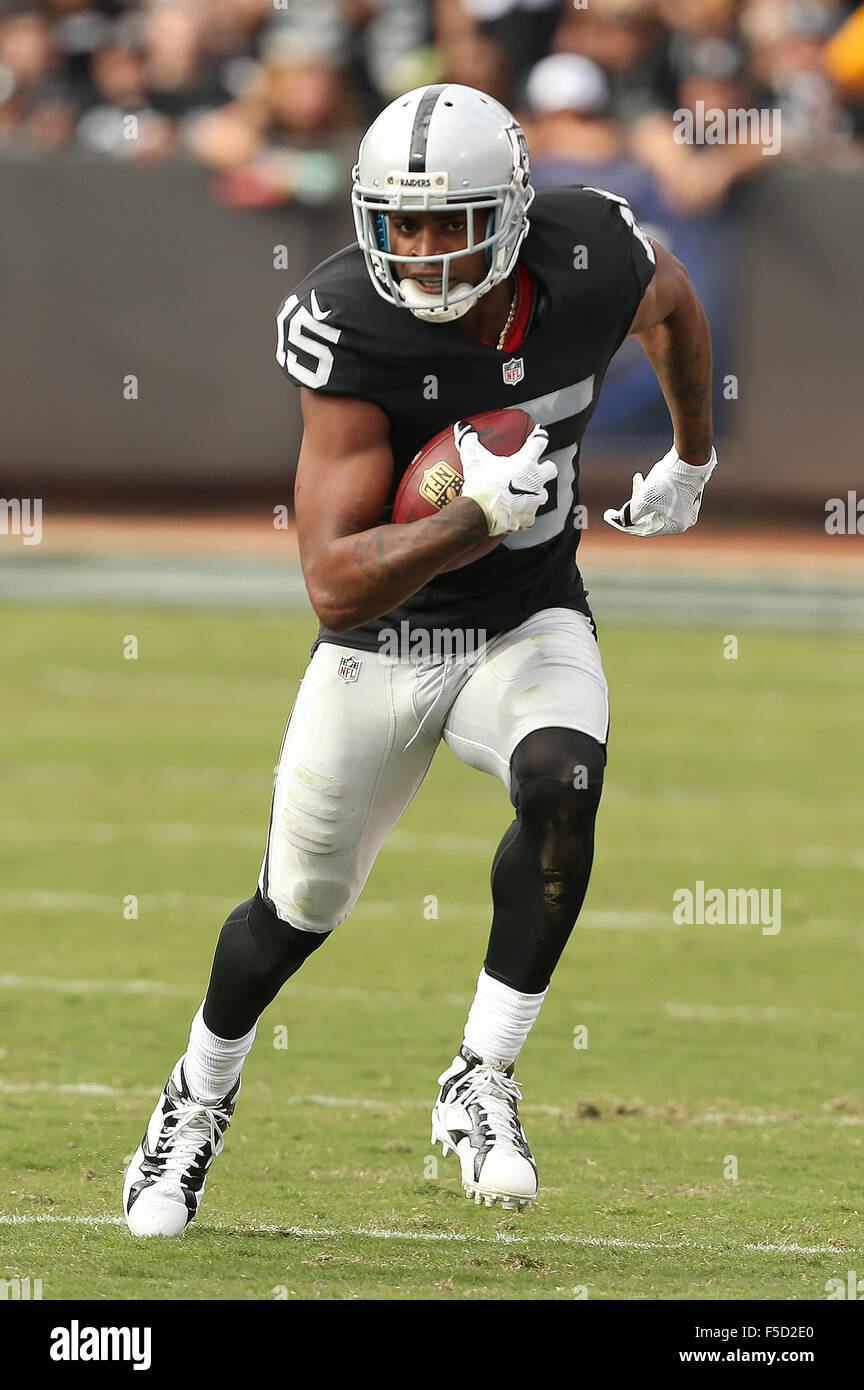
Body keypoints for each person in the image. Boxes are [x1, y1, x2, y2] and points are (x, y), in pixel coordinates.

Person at [123, 82, 716, 1236]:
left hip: (528, 616)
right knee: (293, 910)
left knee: (563, 782)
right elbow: (333, 579)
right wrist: (465, 518)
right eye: (403, 223)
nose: (425, 250)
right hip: (379, 642)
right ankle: (196, 1097)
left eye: (452, 223)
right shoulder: (350, 321)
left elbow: (676, 303)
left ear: (515, 212)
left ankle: (481, 1075)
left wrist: (693, 457)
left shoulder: (591, 254)